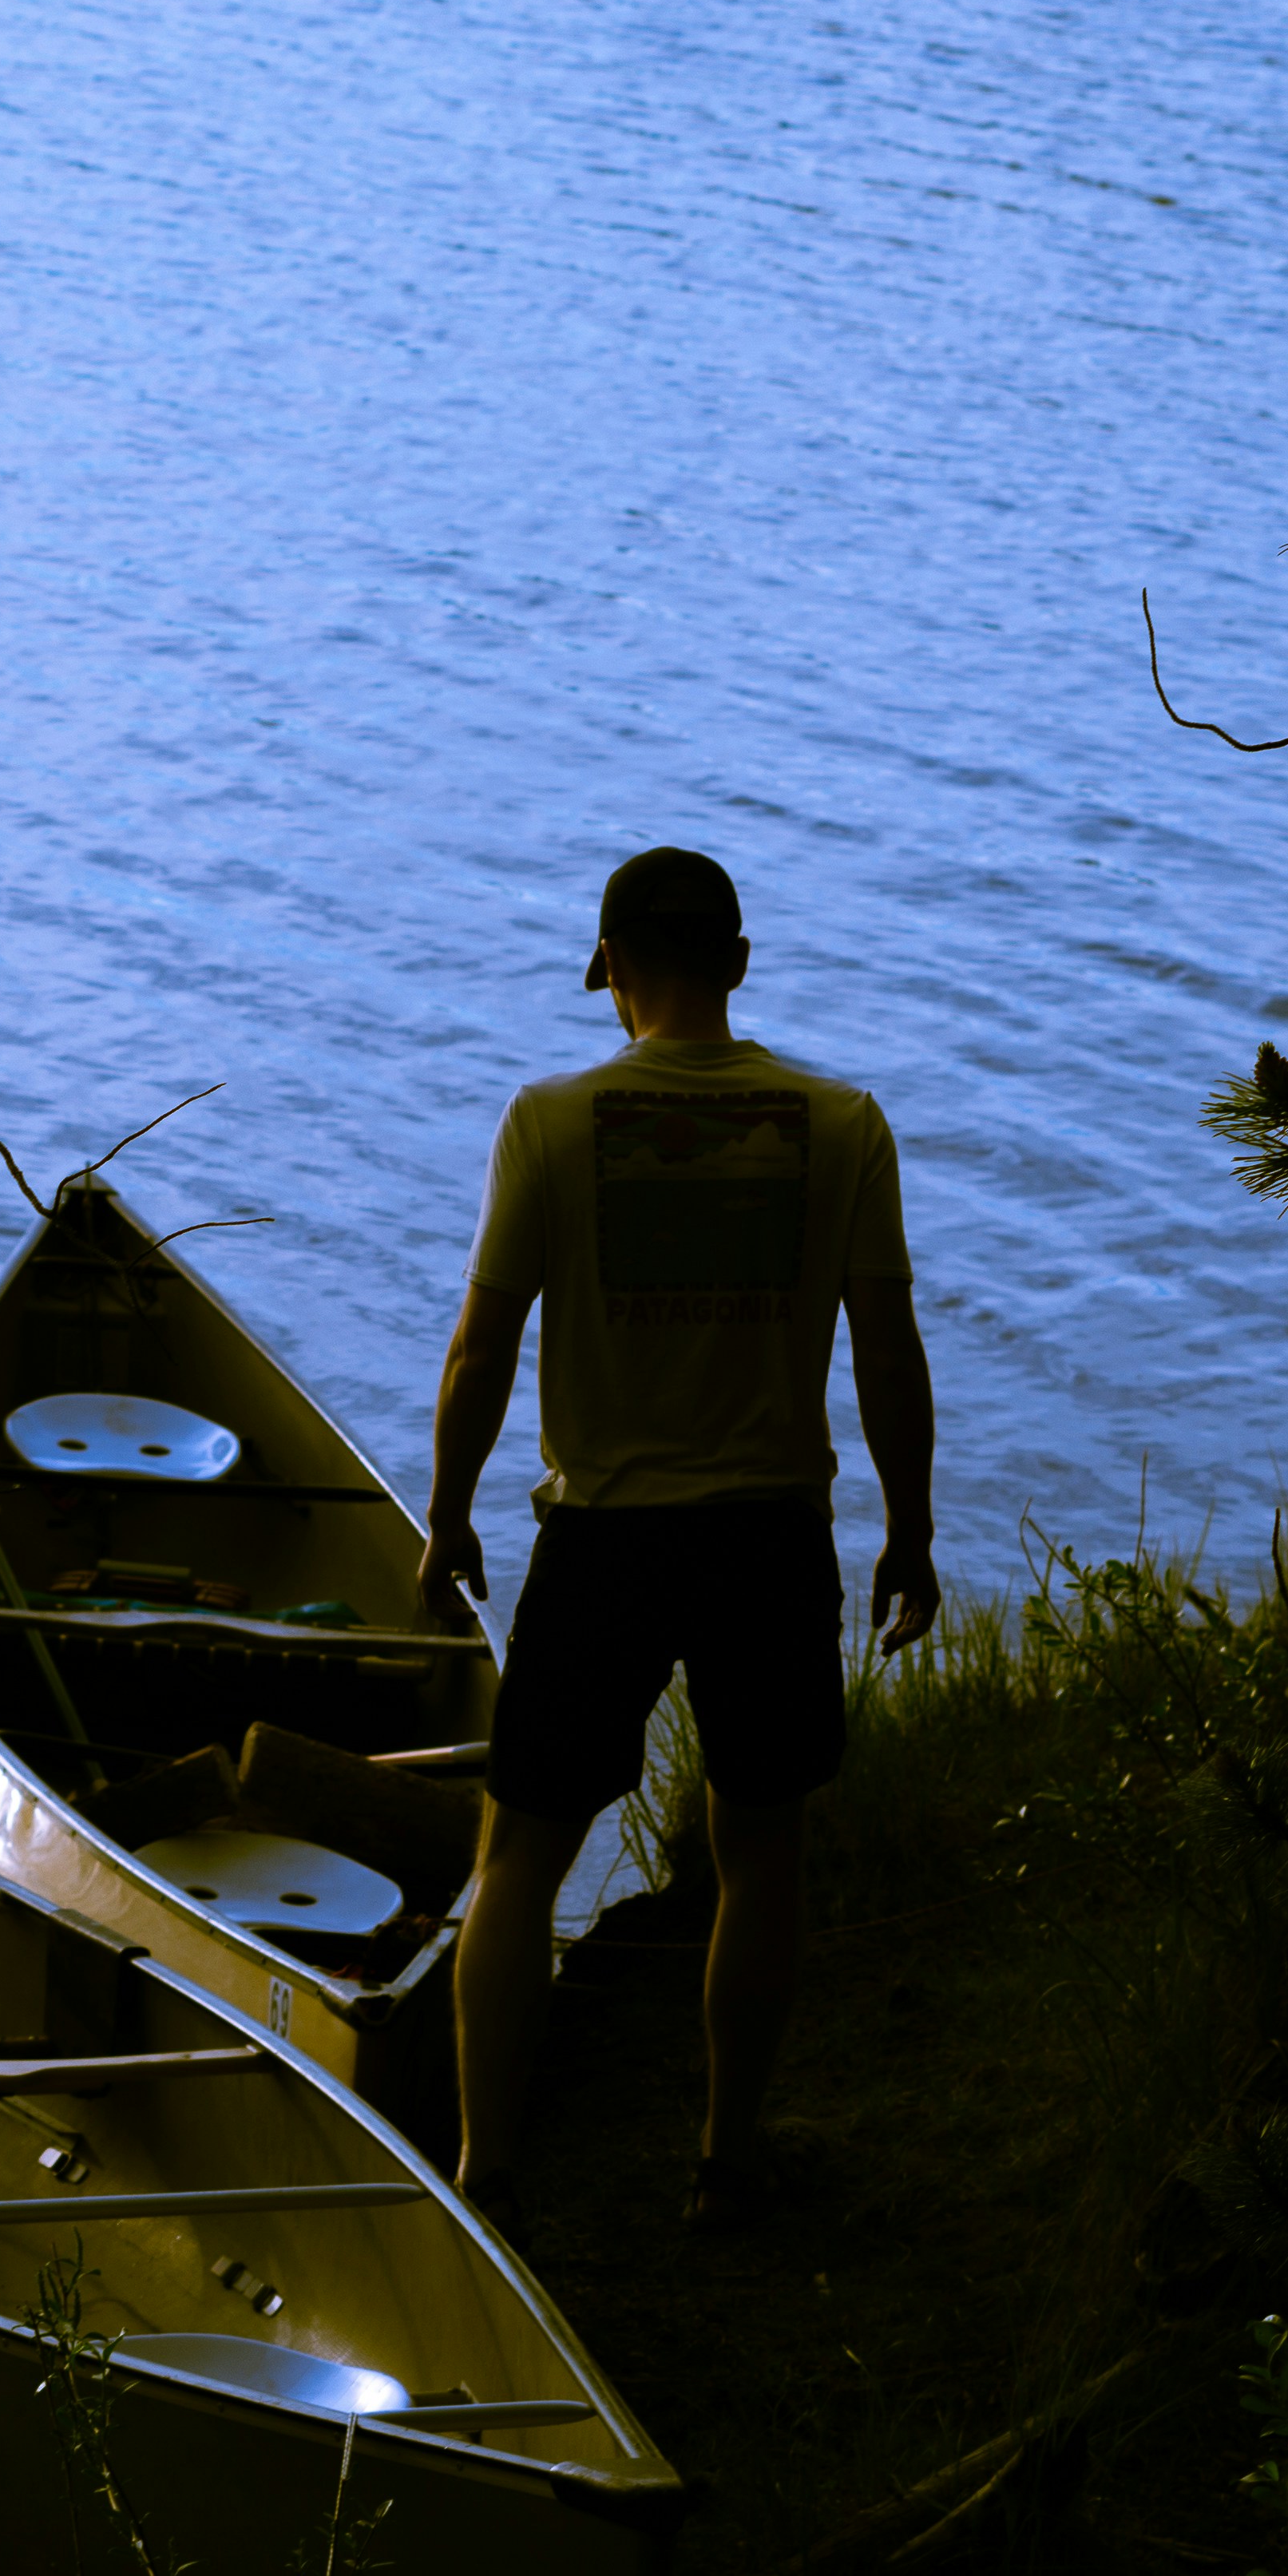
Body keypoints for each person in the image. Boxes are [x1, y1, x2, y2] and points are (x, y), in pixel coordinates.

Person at [416, 844, 937, 2229]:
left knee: (518, 1856)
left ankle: (489, 2171)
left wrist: (451, 1513)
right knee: (763, 1855)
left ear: (614, 972)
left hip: (605, 1540)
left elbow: (481, 1350)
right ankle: (727, 2159)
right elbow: (888, 1352)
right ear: (739, 965)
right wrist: (912, 1531)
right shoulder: (843, 1124)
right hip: (772, 1537)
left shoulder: (549, 1119)